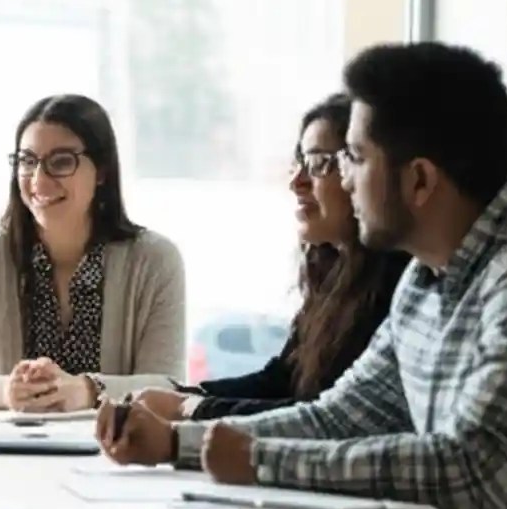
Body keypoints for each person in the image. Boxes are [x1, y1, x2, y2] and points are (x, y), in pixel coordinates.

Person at [98, 42, 507, 509]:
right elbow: (340, 415)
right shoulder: (428, 277)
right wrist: (177, 443)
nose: (342, 177)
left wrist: (254, 457)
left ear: (419, 180)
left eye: (353, 157)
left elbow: (470, 471)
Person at [138, 94, 409, 423]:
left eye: (319, 164)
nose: (297, 182)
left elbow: (323, 418)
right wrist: (187, 396)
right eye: (300, 163)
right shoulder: (333, 275)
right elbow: (281, 380)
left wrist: (190, 408)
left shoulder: (397, 286)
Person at [0, 93, 186, 413]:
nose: (39, 181)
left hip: (111, 458)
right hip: (2, 455)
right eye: (28, 161)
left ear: (101, 170)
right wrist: (5, 391)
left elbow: (169, 389)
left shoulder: (154, 261)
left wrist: (89, 390)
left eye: (61, 162)